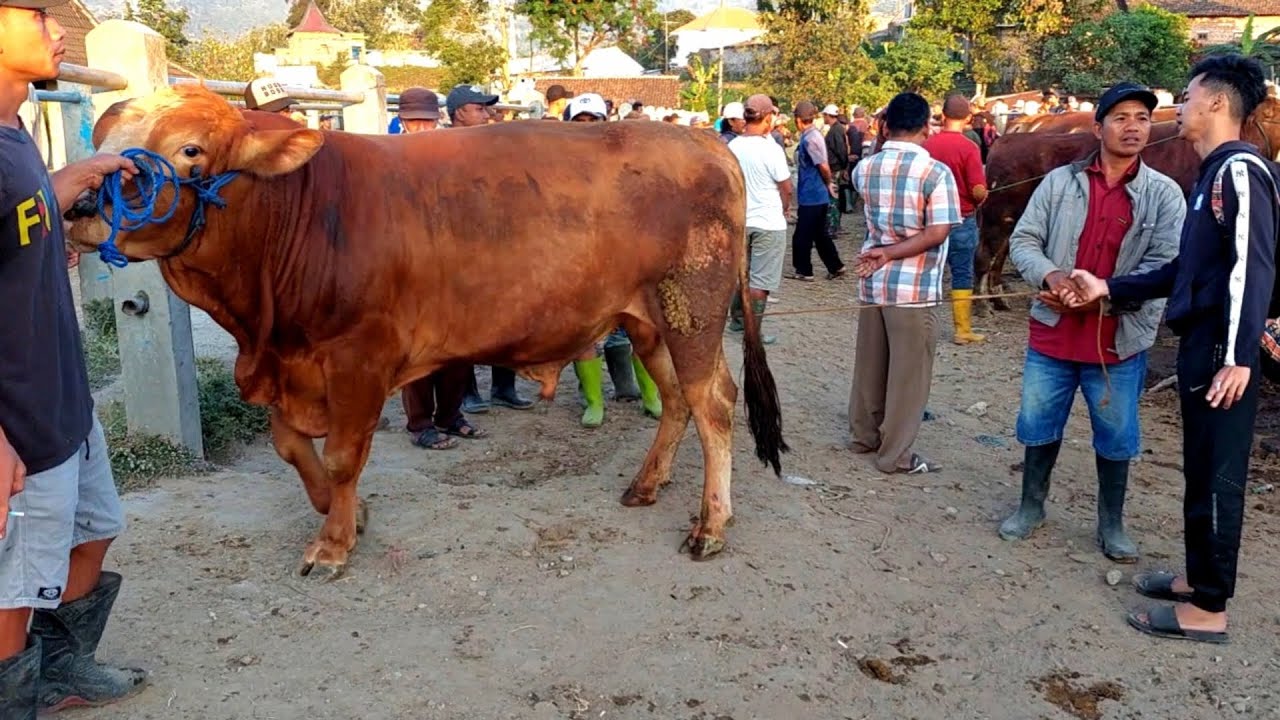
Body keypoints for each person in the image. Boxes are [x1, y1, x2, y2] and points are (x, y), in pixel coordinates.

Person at [1069, 56, 1279, 644]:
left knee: (1218, 474)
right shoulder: (1212, 175)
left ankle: (1209, 609)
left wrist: (1237, 356)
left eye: (1186, 96)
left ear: (1217, 102)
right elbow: (1189, 268)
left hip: (1221, 352)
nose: (1178, 107)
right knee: (1200, 467)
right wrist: (1110, 287)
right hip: (1204, 344)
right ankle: (1197, 578)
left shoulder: (1240, 171)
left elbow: (1251, 269)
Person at [0, 0, 151, 714]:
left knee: (94, 529)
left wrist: (75, 179)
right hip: (16, 410)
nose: (58, 29)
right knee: (12, 586)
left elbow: (21, 215)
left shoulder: (15, 130)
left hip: (60, 387)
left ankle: (62, 673)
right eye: (36, 15)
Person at [999, 82, 1185, 564]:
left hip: (1118, 341)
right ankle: (1031, 506)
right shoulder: (1059, 183)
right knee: (1038, 424)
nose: (1133, 127)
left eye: (1142, 118)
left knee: (1117, 435)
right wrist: (1052, 276)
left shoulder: (1164, 195)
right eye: (1121, 117)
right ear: (1098, 128)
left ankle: (1111, 523)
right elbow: (1024, 240)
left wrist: (1104, 296)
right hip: (1053, 333)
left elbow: (1166, 266)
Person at [848, 92, 960, 474]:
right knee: (908, 376)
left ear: (885, 126)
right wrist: (893, 253)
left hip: (873, 282)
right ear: (927, 126)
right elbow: (938, 232)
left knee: (870, 364)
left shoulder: (865, 169)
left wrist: (883, 252)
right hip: (914, 287)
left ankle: (864, 436)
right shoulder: (935, 173)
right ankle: (894, 454)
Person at [561, 93, 662, 426]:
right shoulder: (559, 166)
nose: (587, 127)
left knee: (642, 328)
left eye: (593, 120)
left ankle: (650, 395)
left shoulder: (626, 160)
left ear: (606, 123)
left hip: (625, 256)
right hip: (580, 258)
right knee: (583, 333)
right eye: (580, 121)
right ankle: (594, 402)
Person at [395, 87, 482, 450]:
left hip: (454, 263)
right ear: (402, 121)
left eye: (427, 121)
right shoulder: (386, 158)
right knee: (417, 349)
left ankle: (450, 414)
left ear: (438, 120)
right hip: (410, 266)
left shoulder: (454, 156)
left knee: (460, 345)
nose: (421, 128)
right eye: (414, 121)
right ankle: (420, 423)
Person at [445, 84, 536, 413]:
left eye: (486, 109)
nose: (487, 115)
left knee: (505, 314)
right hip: (460, 245)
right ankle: (467, 391)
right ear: (459, 113)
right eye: (479, 109)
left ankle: (503, 386)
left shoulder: (494, 146)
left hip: (499, 241)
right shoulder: (440, 150)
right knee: (463, 319)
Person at [923, 93, 989, 344]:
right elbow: (977, 190)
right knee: (962, 272)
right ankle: (962, 330)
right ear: (969, 117)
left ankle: (923, 326)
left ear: (943, 116)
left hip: (930, 220)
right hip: (962, 219)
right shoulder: (969, 147)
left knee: (929, 272)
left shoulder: (927, 145)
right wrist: (983, 197)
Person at [727, 94, 793, 345]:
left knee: (740, 273)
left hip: (740, 219)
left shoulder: (733, 147)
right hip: (768, 222)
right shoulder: (771, 149)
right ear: (767, 118)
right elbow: (786, 187)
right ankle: (753, 332)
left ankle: (737, 321)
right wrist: (785, 208)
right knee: (760, 281)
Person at [790, 100, 844, 281]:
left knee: (802, 236)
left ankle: (804, 270)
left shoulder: (810, 139)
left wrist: (828, 182)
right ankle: (835, 266)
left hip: (812, 194)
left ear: (798, 119)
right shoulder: (812, 135)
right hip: (815, 193)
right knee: (820, 234)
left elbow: (823, 165)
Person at [822, 104, 852, 214]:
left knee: (833, 197)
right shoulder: (836, 129)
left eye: (824, 115)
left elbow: (841, 149)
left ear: (828, 115)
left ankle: (833, 222)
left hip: (835, 168)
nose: (823, 118)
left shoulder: (836, 130)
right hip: (836, 167)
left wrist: (844, 166)